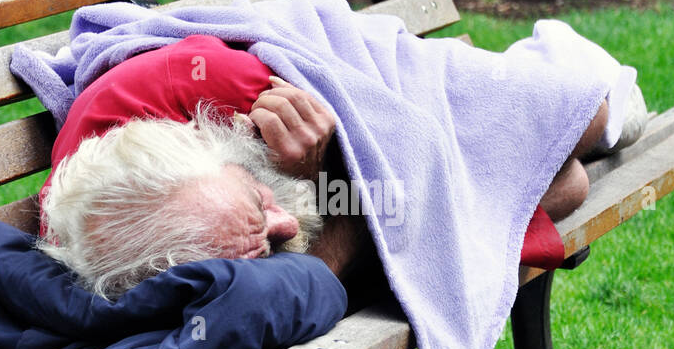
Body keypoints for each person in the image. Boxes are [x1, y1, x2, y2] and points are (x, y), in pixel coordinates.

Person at [35, 31, 625, 301]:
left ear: (216, 141)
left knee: (591, 117)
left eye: (260, 204)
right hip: (397, 180)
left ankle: (534, 54)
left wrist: (318, 171)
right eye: (266, 244)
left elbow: (388, 124)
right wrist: (316, 185)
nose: (285, 225)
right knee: (566, 184)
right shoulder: (112, 242)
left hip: (397, 82)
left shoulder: (230, 91)